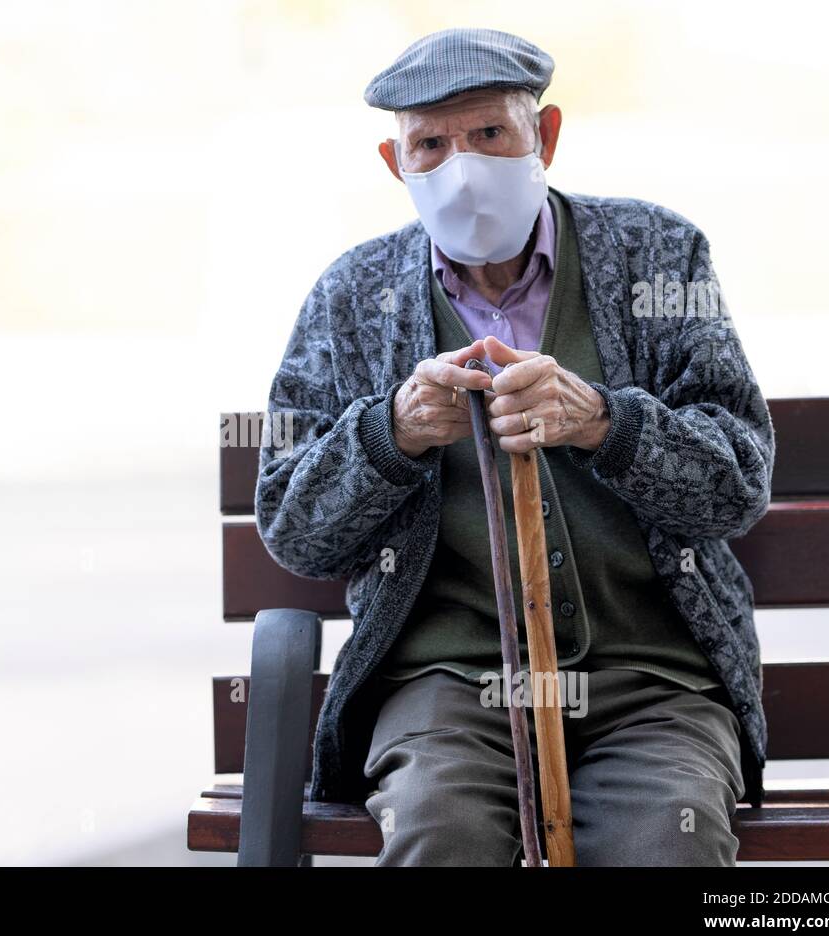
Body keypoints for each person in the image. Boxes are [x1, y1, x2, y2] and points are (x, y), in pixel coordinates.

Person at [254, 27, 775, 865]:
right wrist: (392, 433)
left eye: (490, 134)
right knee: (439, 831)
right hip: (445, 685)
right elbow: (293, 525)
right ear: (397, 165)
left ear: (547, 137)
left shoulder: (657, 253)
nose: (460, 165)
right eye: (430, 143)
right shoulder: (351, 295)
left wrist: (605, 419)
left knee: (665, 838)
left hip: (650, 682)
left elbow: (738, 478)